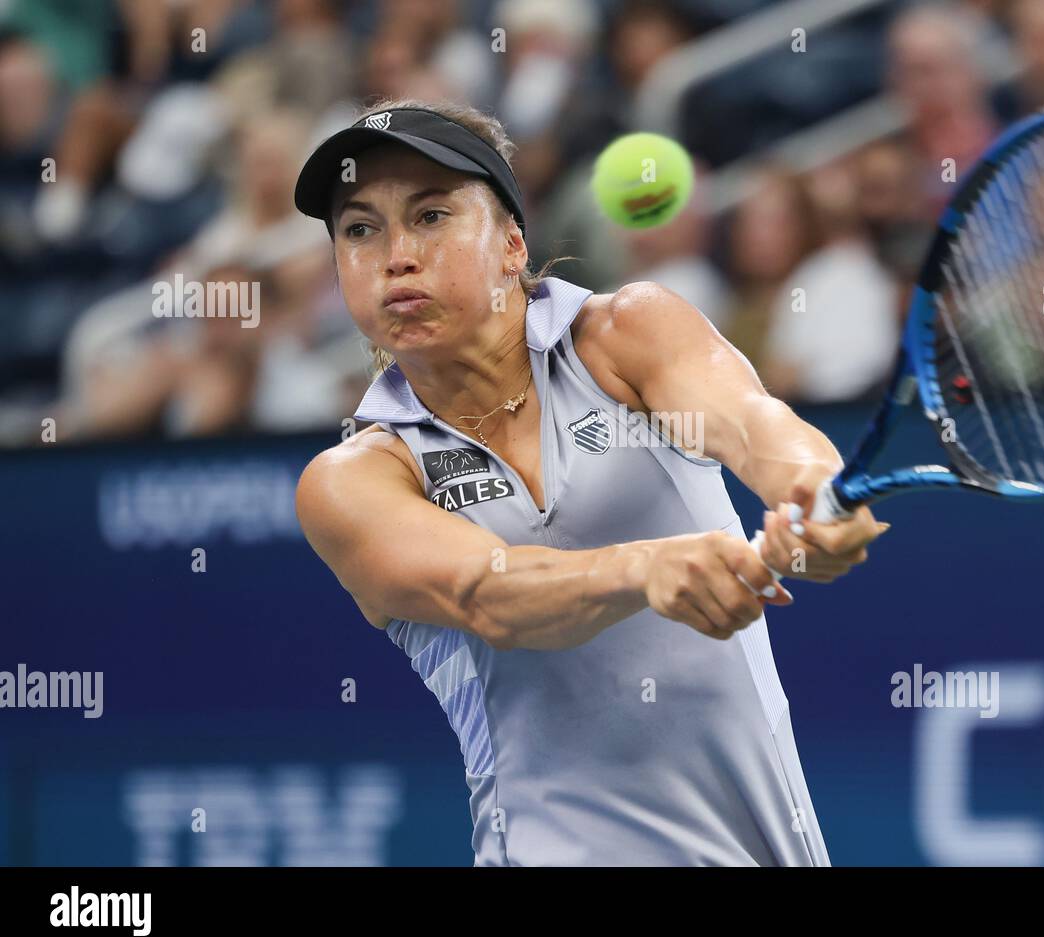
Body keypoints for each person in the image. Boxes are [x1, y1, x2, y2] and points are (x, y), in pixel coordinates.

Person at [292, 100, 887, 866]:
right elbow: (488, 594)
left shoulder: (626, 335)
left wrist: (818, 499)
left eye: (432, 215)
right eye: (360, 229)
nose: (396, 255)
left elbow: (755, 426)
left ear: (512, 245)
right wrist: (648, 567)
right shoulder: (354, 481)